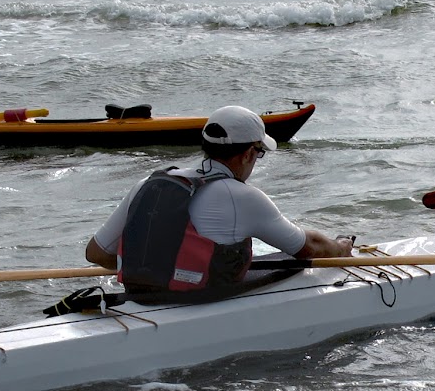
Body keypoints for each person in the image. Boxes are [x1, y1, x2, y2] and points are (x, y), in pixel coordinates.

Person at [84, 105, 354, 302]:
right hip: (195, 303)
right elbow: (309, 248)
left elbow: (95, 253)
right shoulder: (242, 196)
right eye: (259, 154)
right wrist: (341, 247)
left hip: (140, 300)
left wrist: (152, 265)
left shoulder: (148, 183)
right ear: (249, 153)